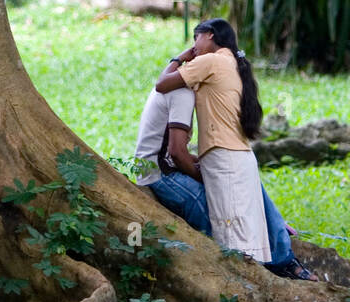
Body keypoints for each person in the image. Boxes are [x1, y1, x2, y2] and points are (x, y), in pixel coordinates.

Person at [153, 18, 316, 278]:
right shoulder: (232, 65)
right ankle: (282, 269)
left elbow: (162, 84)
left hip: (223, 159)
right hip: (241, 157)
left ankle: (247, 291)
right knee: (248, 232)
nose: (194, 47)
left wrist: (178, 58)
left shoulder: (210, 61)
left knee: (233, 237)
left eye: (196, 39)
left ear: (209, 35)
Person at [132, 83, 316, 279]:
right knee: (212, 209)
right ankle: (253, 270)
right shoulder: (182, 93)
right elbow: (176, 153)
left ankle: (276, 236)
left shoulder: (188, 92)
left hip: (170, 166)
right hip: (160, 174)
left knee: (247, 179)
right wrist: (209, 179)